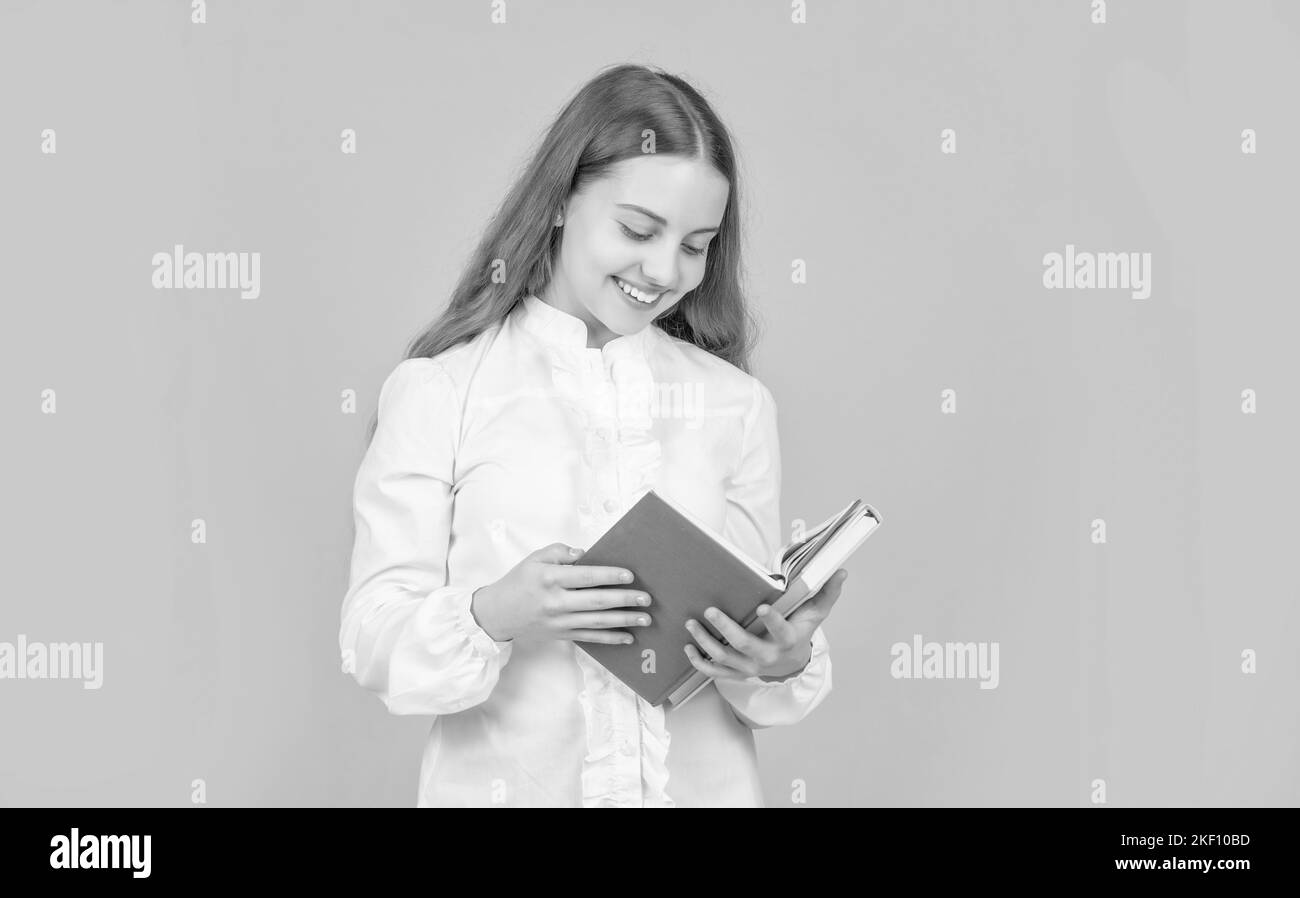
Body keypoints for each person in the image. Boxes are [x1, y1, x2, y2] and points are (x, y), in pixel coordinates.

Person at [340, 63, 848, 807]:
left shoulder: (732, 404)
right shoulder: (442, 391)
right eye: (638, 229)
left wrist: (776, 657)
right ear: (559, 203)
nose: (663, 269)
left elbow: (744, 679)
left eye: (696, 243)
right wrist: (497, 613)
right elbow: (372, 641)